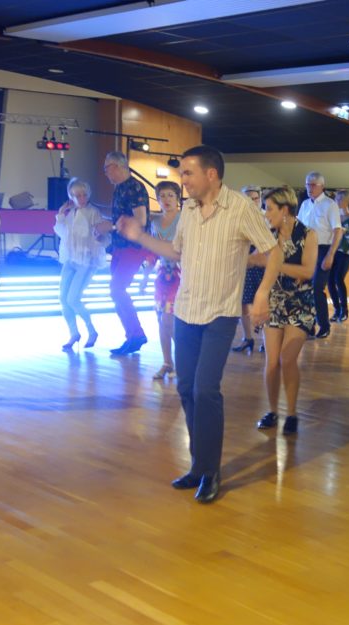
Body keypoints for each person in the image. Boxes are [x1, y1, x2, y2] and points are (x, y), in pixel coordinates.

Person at [118, 145, 282, 504]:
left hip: (220, 314)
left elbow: (273, 251)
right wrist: (139, 238)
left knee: (207, 390)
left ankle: (211, 470)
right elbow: (177, 252)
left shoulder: (241, 209)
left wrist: (262, 294)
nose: (183, 181)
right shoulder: (189, 211)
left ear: (211, 174)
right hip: (186, 311)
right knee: (187, 389)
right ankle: (199, 465)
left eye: (188, 173)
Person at [255, 187, 317, 434]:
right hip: (275, 303)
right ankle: (273, 411)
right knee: (272, 364)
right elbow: (254, 259)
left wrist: (275, 264)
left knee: (287, 358)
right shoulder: (267, 236)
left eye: (269, 208)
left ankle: (291, 413)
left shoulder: (308, 234)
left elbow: (307, 271)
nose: (265, 213)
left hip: (301, 304)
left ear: (285, 209)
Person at [99, 151, 150, 356]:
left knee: (117, 290)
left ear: (118, 166)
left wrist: (109, 226)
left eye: (107, 168)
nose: (105, 173)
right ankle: (133, 335)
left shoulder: (134, 187)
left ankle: (136, 334)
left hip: (133, 246)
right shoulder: (120, 188)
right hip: (121, 246)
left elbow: (141, 220)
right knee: (116, 291)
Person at [53, 177, 106, 351]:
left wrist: (98, 241)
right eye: (77, 195)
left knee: (73, 299)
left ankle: (91, 331)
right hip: (71, 259)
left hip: (86, 261)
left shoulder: (94, 213)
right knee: (63, 298)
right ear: (71, 196)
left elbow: (101, 238)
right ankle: (74, 333)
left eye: (83, 195)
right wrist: (61, 214)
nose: (81, 198)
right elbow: (63, 233)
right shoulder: (71, 213)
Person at [300, 172, 342, 339]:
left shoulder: (330, 205)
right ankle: (308, 326)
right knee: (304, 289)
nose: (310, 188)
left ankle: (324, 325)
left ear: (322, 186)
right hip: (305, 250)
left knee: (317, 288)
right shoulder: (304, 204)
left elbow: (337, 230)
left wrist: (330, 255)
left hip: (323, 249)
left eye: (313, 185)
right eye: (307, 184)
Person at [149, 181, 183, 379]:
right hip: (162, 274)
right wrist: (146, 275)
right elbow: (153, 251)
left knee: (169, 319)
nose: (167, 199)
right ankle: (167, 362)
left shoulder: (183, 219)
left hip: (179, 273)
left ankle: (181, 361)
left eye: (171, 195)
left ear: (177, 198)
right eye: (163, 196)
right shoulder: (155, 223)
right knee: (161, 319)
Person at [233, 184, 264, 354]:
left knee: (264, 301)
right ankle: (247, 338)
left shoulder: (266, 217)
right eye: (248, 198)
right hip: (242, 262)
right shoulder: (236, 217)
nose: (252, 201)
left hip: (261, 263)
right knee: (242, 302)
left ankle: (267, 341)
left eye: (255, 198)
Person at [329, 189, 349, 322]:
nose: (338, 201)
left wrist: (345, 232)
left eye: (341, 199)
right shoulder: (333, 216)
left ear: (348, 200)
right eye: (337, 199)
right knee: (330, 280)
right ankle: (336, 309)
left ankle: (344, 310)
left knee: (338, 278)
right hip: (331, 252)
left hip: (345, 253)